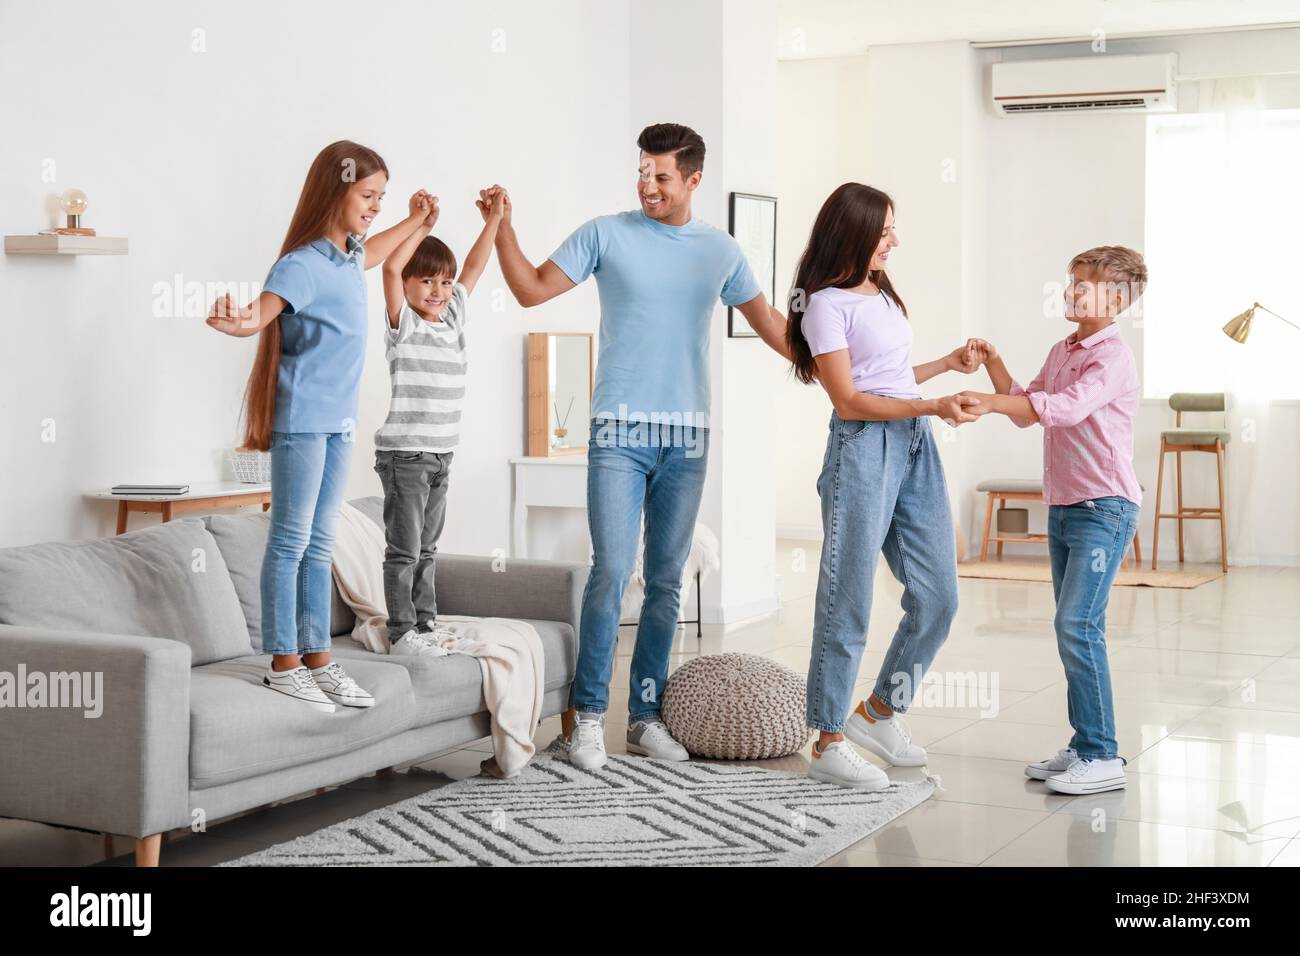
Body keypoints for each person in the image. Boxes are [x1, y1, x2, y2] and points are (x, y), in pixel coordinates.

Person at [485, 122, 791, 770]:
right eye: (642, 173)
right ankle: (588, 720)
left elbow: (779, 334)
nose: (648, 185)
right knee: (612, 571)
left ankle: (644, 717)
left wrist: (853, 357)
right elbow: (531, 288)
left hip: (688, 437)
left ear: (694, 180)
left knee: (666, 582)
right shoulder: (607, 234)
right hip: (618, 434)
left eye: (662, 176)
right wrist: (504, 227)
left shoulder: (720, 251)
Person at [206, 140, 431, 712]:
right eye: (368, 195)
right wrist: (237, 323)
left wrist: (416, 220)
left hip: (338, 425)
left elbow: (375, 252)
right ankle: (284, 663)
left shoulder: (346, 255)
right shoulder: (302, 263)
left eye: (382, 196)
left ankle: (317, 658)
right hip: (302, 422)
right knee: (289, 541)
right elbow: (262, 312)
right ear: (337, 190)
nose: (376, 205)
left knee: (320, 542)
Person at [787, 182, 985, 790]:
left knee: (939, 595)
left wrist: (945, 366)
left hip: (912, 444)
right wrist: (932, 403)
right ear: (854, 230)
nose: (894, 239)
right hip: (862, 450)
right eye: (885, 229)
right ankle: (826, 739)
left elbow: (887, 377)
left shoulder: (880, 291)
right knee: (847, 596)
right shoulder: (823, 305)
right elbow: (848, 400)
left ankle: (878, 711)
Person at [959, 245, 1146, 795]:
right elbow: (1030, 406)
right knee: (1073, 628)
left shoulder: (1112, 358)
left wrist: (992, 405)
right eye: (1071, 282)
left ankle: (1101, 753)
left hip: (1104, 507)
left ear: (1116, 298)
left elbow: (1063, 410)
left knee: (1077, 626)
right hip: (1066, 505)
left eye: (1082, 285)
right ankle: (1085, 739)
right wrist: (996, 369)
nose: (1070, 292)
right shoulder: (1063, 349)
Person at [372, 189, 507, 656]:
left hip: (442, 454)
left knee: (428, 548)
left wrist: (493, 220)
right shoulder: (403, 324)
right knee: (405, 550)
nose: (438, 291)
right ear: (409, 287)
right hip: (405, 456)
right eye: (427, 282)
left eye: (443, 283)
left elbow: (473, 267)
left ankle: (425, 625)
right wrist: (420, 225)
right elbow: (389, 267)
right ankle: (402, 631)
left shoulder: (452, 318)